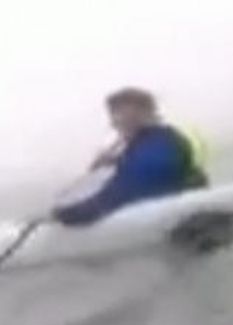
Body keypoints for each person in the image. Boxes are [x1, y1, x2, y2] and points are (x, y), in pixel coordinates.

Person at [51, 88, 209, 227]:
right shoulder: (142, 146)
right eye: (113, 115)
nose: (114, 123)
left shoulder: (158, 144)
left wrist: (65, 215)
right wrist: (109, 166)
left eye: (119, 114)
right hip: (159, 212)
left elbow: (122, 193)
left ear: (144, 114)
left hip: (181, 225)